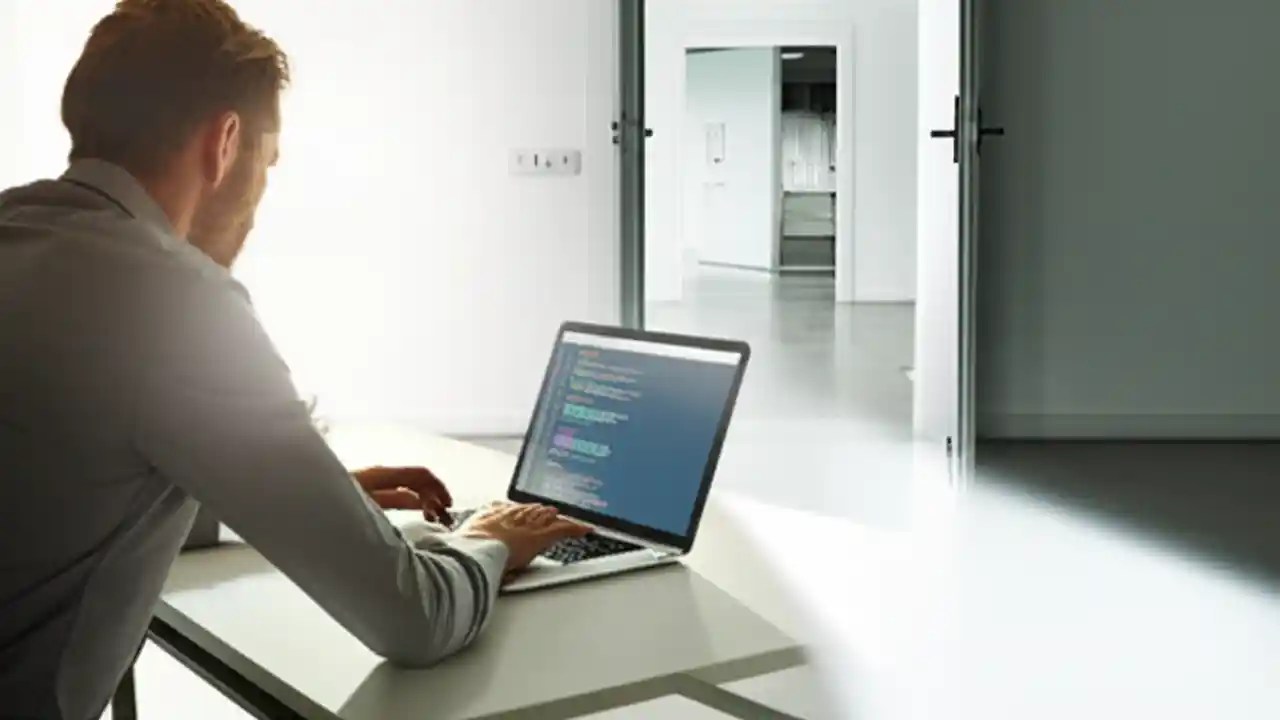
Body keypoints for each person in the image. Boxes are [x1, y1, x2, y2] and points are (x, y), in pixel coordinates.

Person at [0, 1, 589, 718]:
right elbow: (415, 618)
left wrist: (301, 499)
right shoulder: (177, 299)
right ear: (224, 142)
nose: (260, 198)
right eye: (268, 163)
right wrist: (485, 542)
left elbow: (61, 495)